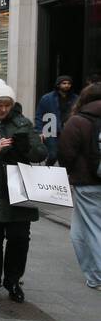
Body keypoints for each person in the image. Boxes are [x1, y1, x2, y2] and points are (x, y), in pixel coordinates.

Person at [0, 80, 46, 303]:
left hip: (20, 189)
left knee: (19, 238)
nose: (3, 109)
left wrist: (28, 147)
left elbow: (41, 153)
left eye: (7, 104)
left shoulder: (23, 123)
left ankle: (13, 280)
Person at [58, 81, 101, 291]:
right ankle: (93, 276)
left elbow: (66, 153)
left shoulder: (78, 121)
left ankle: (98, 276)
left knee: (93, 229)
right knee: (79, 229)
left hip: (87, 184)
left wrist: (70, 172)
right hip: (91, 183)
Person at [36, 76, 78, 166]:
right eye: (64, 83)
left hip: (67, 131)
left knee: (66, 156)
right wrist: (39, 131)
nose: (67, 85)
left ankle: (62, 176)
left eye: (69, 83)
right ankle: (46, 172)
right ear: (58, 85)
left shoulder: (76, 99)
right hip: (51, 130)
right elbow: (39, 115)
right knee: (53, 155)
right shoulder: (47, 98)